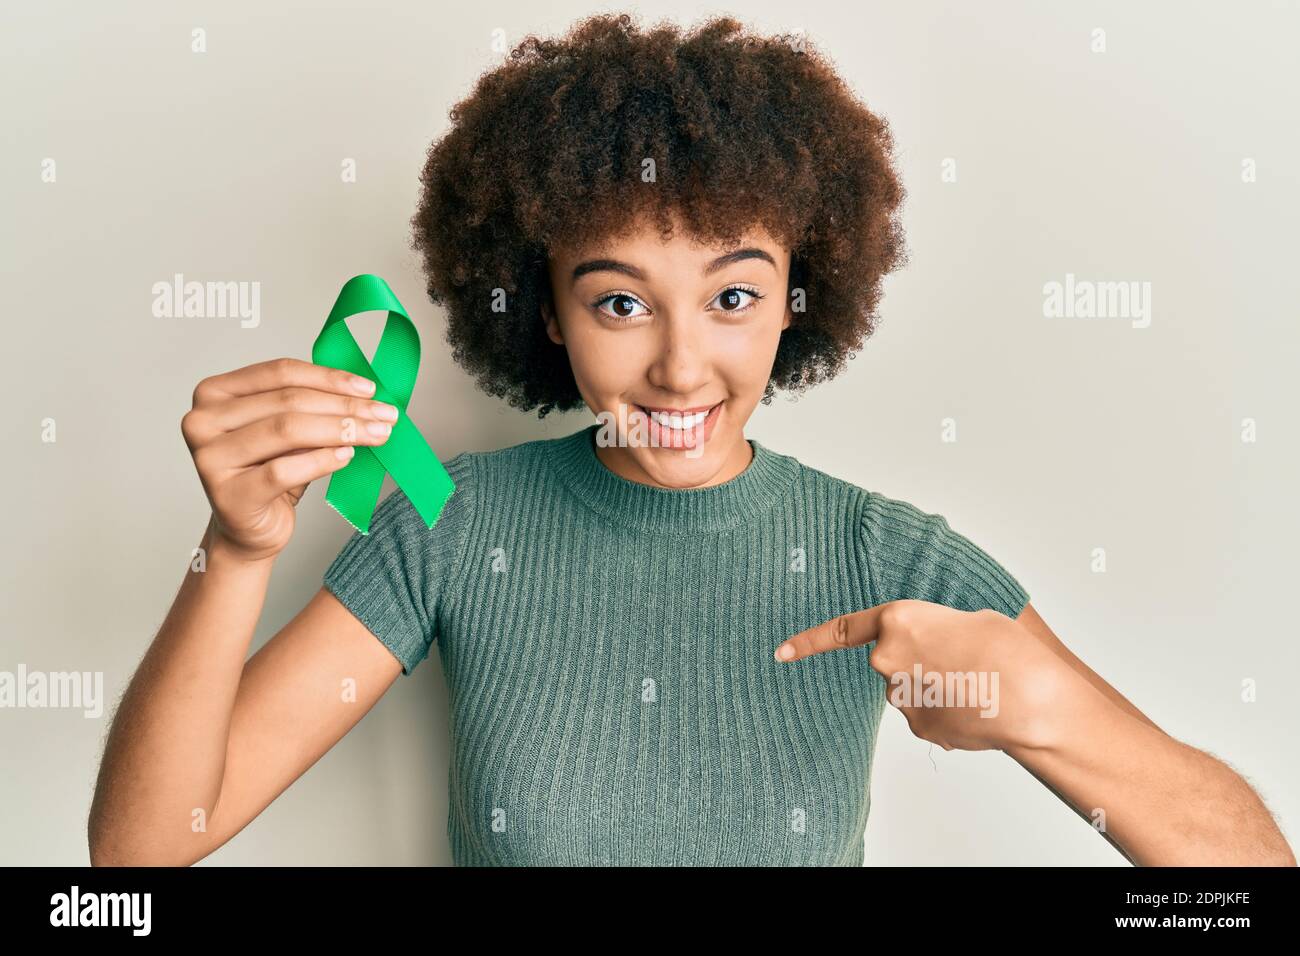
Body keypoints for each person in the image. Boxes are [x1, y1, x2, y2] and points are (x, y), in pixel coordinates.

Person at [88, 12, 1294, 867]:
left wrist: (1041, 707)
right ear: (545, 309)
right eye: (618, 300)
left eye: (732, 295)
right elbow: (141, 851)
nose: (677, 364)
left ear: (797, 297)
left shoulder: (888, 556)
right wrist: (235, 552)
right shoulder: (449, 524)